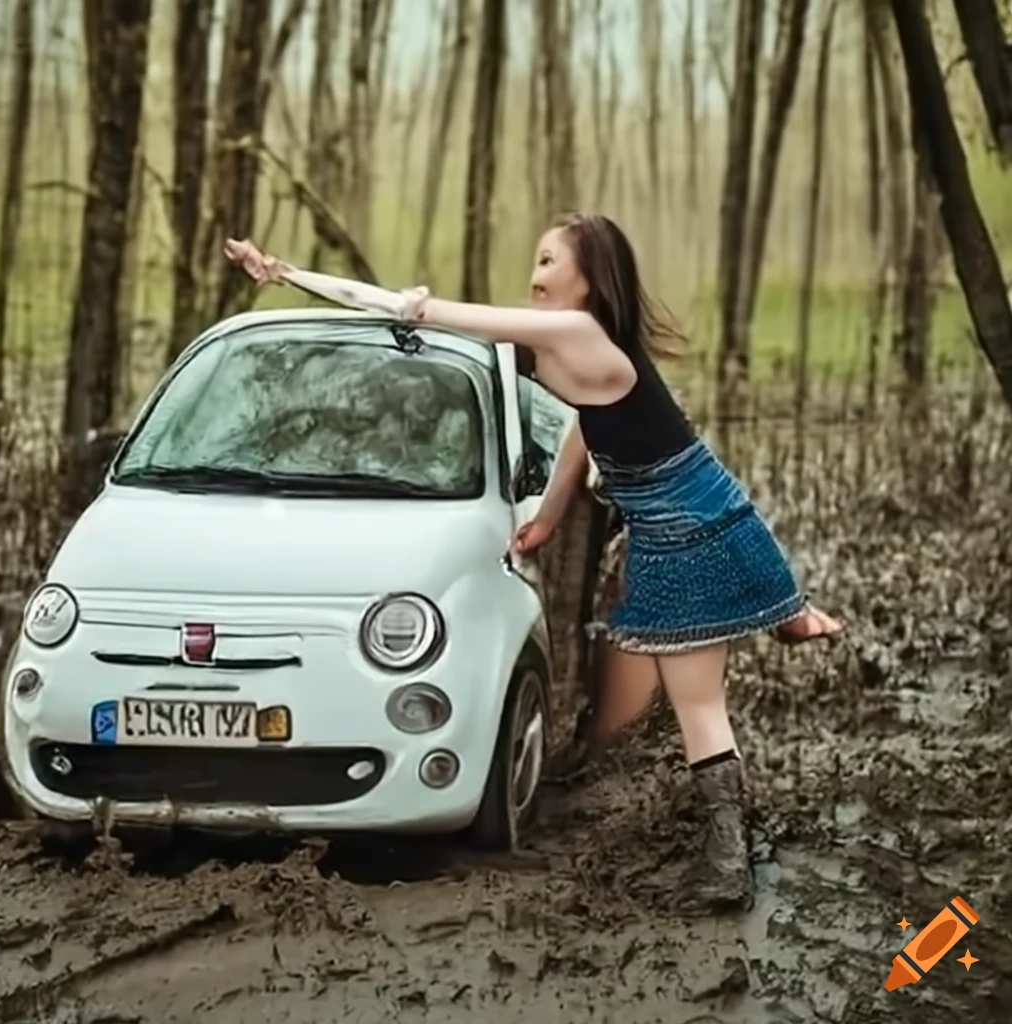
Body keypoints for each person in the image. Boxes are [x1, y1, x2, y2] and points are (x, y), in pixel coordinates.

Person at [223, 214, 842, 915]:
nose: (535, 274)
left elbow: (421, 310)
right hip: (675, 533)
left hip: (699, 530)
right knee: (692, 697)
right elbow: (584, 428)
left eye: (549, 260)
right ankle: (788, 625)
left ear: (588, 275)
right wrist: (546, 519)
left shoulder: (580, 336)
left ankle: (730, 866)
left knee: (698, 706)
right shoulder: (587, 356)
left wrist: (285, 273)